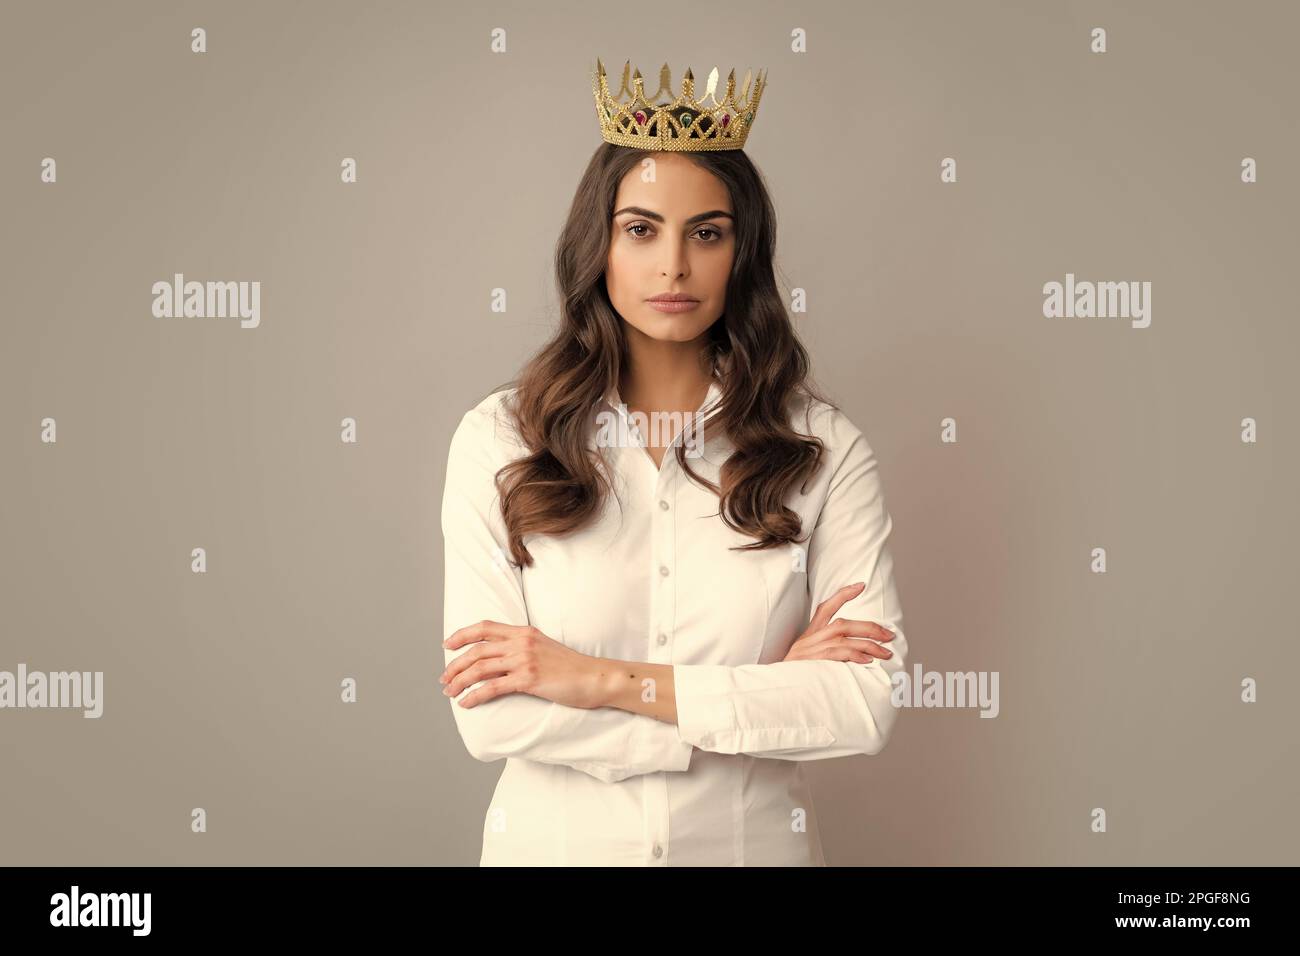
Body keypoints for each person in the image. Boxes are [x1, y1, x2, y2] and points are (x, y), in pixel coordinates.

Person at [439, 59, 909, 865]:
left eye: (708, 233)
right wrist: (755, 699)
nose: (674, 268)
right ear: (600, 245)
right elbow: (492, 716)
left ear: (743, 251)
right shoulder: (501, 441)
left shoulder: (825, 452)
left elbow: (864, 704)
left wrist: (595, 679)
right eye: (641, 229)